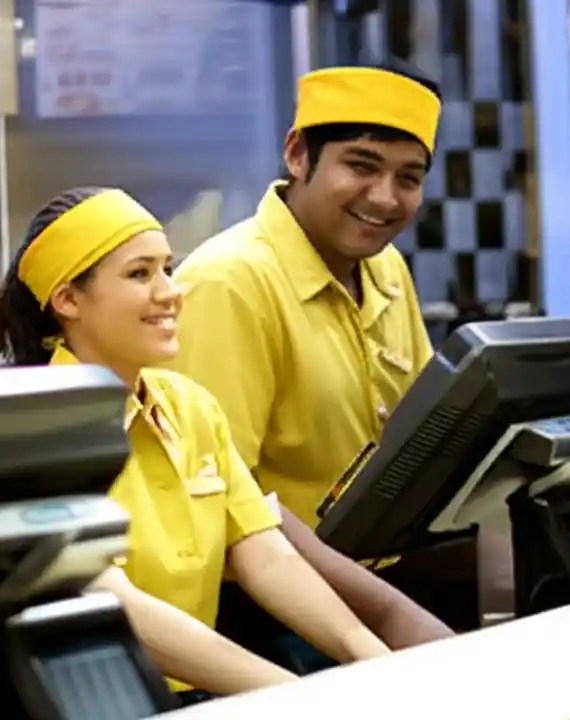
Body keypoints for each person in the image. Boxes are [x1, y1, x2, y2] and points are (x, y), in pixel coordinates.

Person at [0, 186, 395, 703]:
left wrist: (372, 658)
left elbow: (265, 555)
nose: (171, 292)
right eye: (140, 274)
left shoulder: (190, 407)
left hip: (201, 696)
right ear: (68, 299)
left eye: (166, 268)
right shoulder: (32, 427)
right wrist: (291, 694)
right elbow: (109, 599)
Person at [164, 61, 459, 667]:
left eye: (409, 177)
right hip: (274, 612)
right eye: (361, 165)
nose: (385, 198)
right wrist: (387, 616)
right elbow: (228, 504)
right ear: (299, 155)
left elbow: (429, 440)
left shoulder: (386, 271)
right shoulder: (231, 281)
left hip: (380, 585)